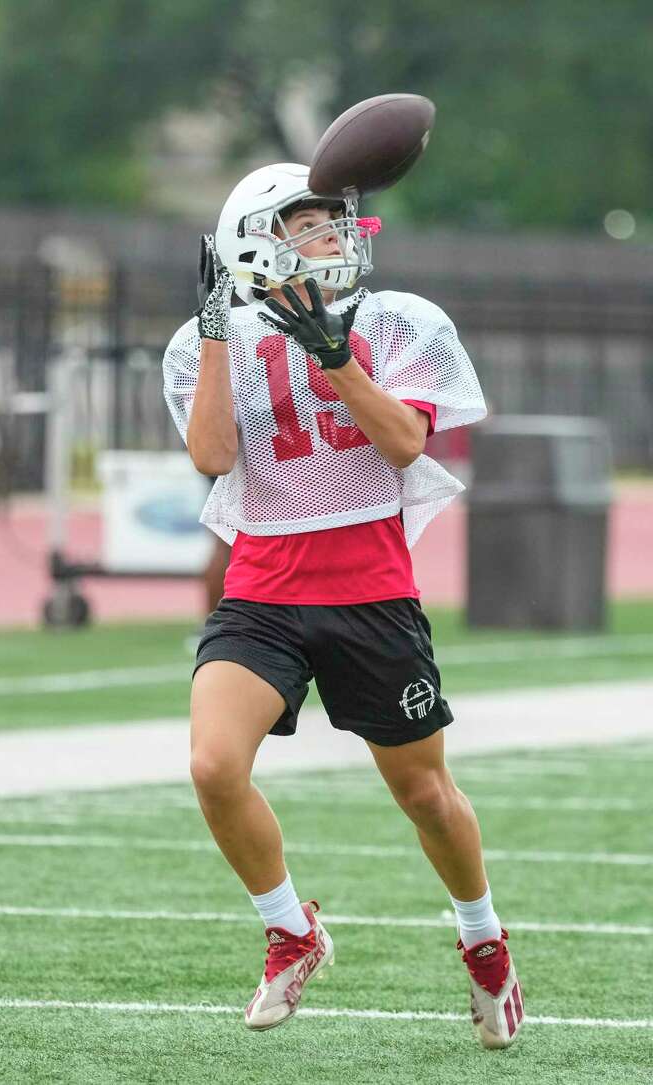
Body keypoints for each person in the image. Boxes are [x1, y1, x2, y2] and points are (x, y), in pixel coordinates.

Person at [163, 162, 524, 1049]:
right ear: (259, 239)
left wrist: (334, 353)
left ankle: (484, 942)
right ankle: (291, 928)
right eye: (313, 224)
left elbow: (405, 442)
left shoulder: (396, 321)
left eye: (335, 221)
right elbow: (213, 456)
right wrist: (216, 326)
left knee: (426, 795)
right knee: (214, 766)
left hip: (370, 588)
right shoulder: (209, 337)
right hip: (264, 587)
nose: (339, 236)